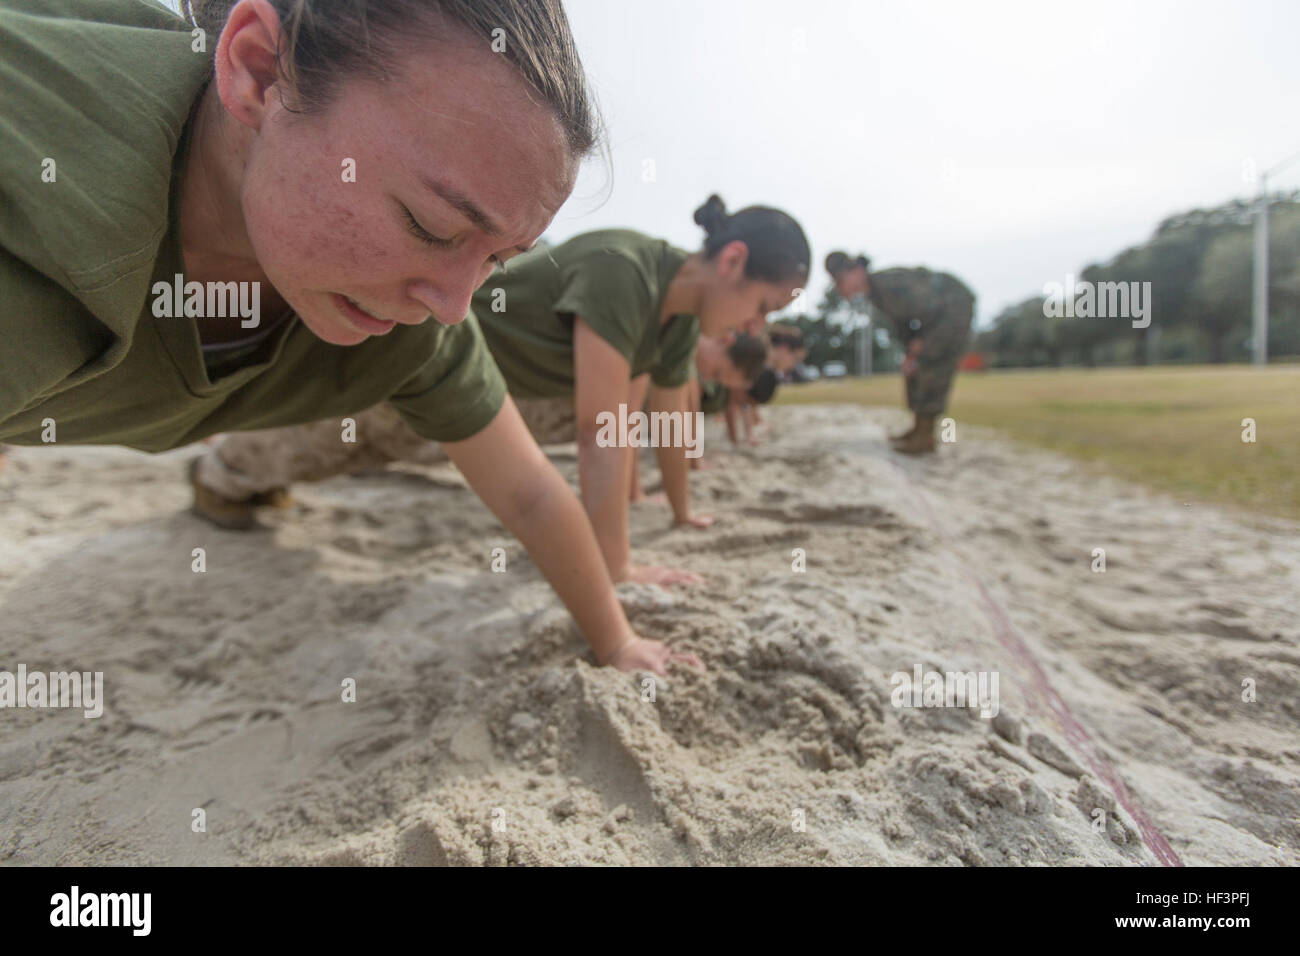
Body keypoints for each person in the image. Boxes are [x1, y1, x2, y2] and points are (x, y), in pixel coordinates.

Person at [0, 0, 699, 674]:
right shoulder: (48, 189)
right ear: (261, 71)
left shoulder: (413, 329)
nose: (455, 306)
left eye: (495, 259)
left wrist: (616, 642)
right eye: (429, 225)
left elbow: (531, 495)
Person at [190, 195, 812, 585]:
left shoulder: (679, 322)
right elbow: (605, 428)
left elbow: (662, 423)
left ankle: (247, 471)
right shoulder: (626, 270)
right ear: (731, 262)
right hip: (430, 362)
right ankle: (220, 478)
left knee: (381, 448)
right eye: (764, 305)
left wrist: (679, 513)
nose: (759, 326)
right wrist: (616, 567)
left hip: (508, 395)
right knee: (340, 440)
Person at [824, 251, 975, 454]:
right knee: (913, 368)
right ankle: (918, 429)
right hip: (934, 319)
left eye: (841, 280)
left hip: (953, 307)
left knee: (933, 366)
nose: (841, 289)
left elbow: (931, 306)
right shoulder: (876, 295)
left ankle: (925, 438)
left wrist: (922, 343)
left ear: (858, 271)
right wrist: (911, 351)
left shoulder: (890, 284)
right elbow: (902, 325)